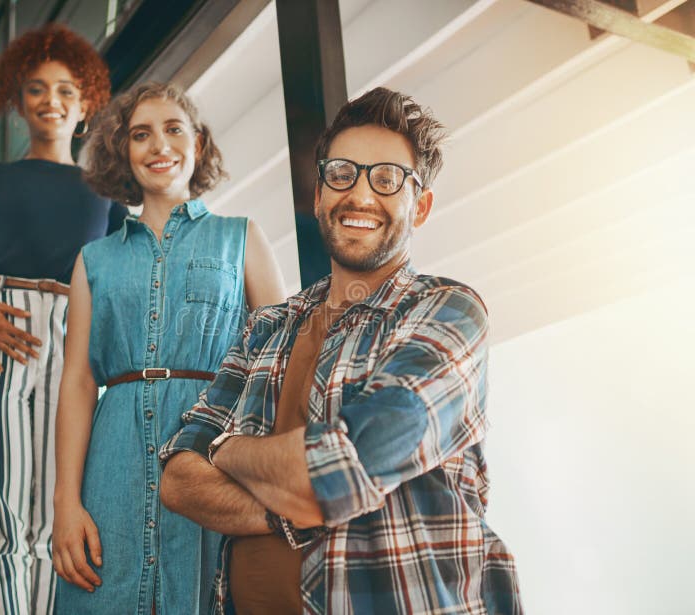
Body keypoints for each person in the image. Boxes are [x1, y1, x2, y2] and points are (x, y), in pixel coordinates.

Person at [159, 87, 523, 614]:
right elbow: (178, 480)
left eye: (387, 178)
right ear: (318, 196)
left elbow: (338, 471)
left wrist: (227, 450)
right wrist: (288, 510)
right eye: (342, 174)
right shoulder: (267, 327)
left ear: (420, 207)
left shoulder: (446, 310)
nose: (360, 195)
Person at [51, 81, 287, 614]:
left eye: (173, 129)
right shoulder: (93, 260)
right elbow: (79, 382)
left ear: (197, 143)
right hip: (111, 465)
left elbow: (279, 365)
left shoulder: (242, 237)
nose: (159, 145)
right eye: (141, 134)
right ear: (123, 152)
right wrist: (66, 502)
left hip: (212, 462)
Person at [0, 23, 122, 614]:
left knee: (57, 517)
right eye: (36, 89)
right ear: (17, 100)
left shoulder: (105, 192)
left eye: (66, 90)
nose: (50, 101)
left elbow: (122, 277)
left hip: (74, 339)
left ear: (86, 103)